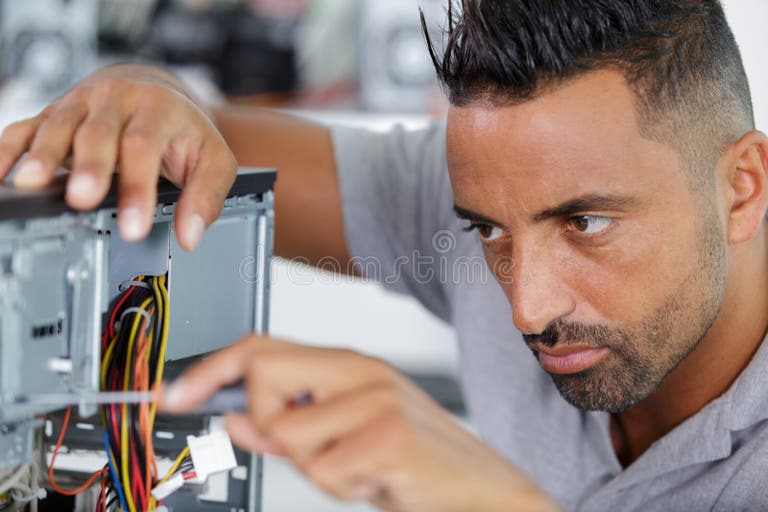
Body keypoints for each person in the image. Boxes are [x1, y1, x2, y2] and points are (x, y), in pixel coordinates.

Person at [1, 0, 767, 510]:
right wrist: (130, 89)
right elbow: (191, 137)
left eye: (587, 223)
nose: (528, 309)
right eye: (486, 230)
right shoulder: (498, 181)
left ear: (742, 187)